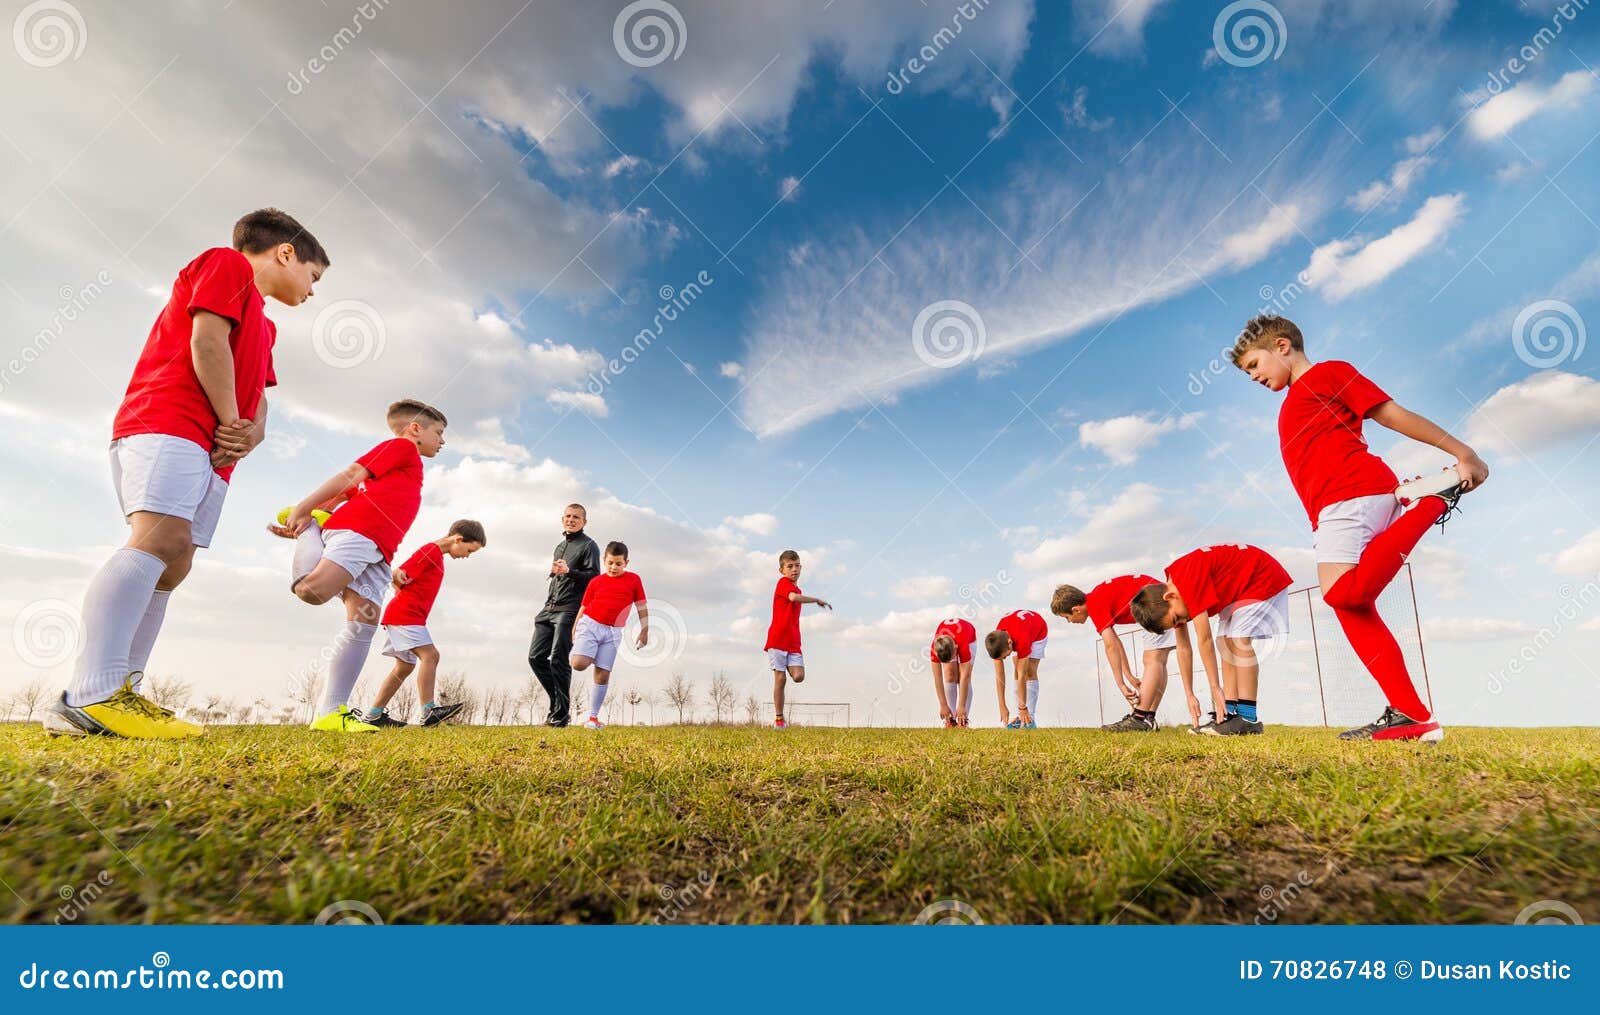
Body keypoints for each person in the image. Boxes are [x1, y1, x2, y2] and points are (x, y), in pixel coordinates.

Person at [44, 209, 329, 739]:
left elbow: (260, 398)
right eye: (314, 277)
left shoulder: (266, 326)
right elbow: (206, 342)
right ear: (286, 253)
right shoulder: (226, 264)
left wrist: (252, 433)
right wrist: (229, 422)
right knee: (158, 539)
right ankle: (90, 694)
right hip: (168, 422)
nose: (313, 292)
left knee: (176, 563)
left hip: (218, 454)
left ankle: (123, 693)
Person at [1231, 314, 1486, 742]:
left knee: (1342, 593)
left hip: (1352, 494)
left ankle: (1431, 501)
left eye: (1254, 365)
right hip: (1338, 504)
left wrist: (1463, 452)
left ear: (1281, 346)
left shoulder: (1329, 373)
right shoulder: (1295, 399)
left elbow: (1391, 415)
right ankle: (1412, 716)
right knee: (1353, 608)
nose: (1252, 376)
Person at [268, 399, 447, 733]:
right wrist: (304, 513)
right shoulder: (401, 448)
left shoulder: (402, 466)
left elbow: (347, 492)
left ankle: (331, 713)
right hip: (359, 532)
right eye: (439, 433)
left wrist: (320, 509)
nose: (442, 441)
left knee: (363, 623)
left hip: (378, 549)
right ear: (415, 429)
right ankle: (311, 531)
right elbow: (351, 474)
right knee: (312, 591)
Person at [1129, 544, 1293, 736]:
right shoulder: (1175, 591)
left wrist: (1215, 688)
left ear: (1170, 596)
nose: (1183, 622)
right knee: (1224, 642)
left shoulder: (1187, 581)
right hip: (1239, 589)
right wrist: (1190, 694)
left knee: (1238, 640)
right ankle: (1229, 715)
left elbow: (1204, 639)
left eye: (1177, 618)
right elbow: (1184, 649)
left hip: (1261, 576)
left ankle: (1248, 718)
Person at [360, 519, 487, 729]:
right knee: (431, 656)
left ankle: (374, 714)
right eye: (469, 550)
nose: (467, 556)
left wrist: (401, 585)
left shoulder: (436, 555)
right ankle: (428, 711)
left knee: (405, 666)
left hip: (405, 616)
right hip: (406, 616)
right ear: (458, 539)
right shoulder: (431, 551)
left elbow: (403, 578)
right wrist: (399, 583)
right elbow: (398, 575)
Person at [1053, 576, 1211, 733]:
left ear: (1075, 609)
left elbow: (1110, 646)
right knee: (1157, 660)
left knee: (1153, 659)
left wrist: (1121, 684)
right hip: (1159, 598)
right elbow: (1115, 643)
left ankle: (1140, 717)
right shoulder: (1097, 597)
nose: (1070, 622)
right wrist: (1128, 675)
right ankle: (1148, 717)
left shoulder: (1095, 605)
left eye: (1067, 617)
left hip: (1158, 606)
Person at [529, 504, 599, 727]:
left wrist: (570, 572)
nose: (571, 520)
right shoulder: (559, 546)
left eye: (576, 517)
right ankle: (558, 704)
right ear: (562, 520)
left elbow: (594, 578)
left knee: (559, 660)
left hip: (570, 609)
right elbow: (559, 576)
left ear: (584, 522)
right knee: (535, 657)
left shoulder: (589, 546)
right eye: (568, 516)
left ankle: (560, 715)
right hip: (549, 608)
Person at [569, 540, 649, 730]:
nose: (614, 567)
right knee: (579, 664)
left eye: (619, 563)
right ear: (604, 560)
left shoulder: (634, 580)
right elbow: (584, 606)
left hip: (613, 632)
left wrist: (645, 630)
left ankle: (593, 718)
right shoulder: (596, 581)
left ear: (626, 563)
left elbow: (642, 606)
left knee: (603, 674)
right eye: (610, 563)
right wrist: (575, 627)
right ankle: (579, 650)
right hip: (590, 624)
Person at [764, 550, 831, 729]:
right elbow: (793, 598)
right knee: (780, 679)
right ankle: (779, 719)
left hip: (793, 642)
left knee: (798, 676)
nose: (794, 569)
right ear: (782, 570)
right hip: (777, 640)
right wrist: (816, 600)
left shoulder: (797, 588)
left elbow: (796, 596)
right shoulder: (783, 583)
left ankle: (785, 665)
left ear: (801, 567)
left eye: (797, 566)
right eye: (790, 566)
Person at [985, 609, 1049, 729]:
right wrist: (1002, 705)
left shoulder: (1021, 639)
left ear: (1010, 643)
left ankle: (1029, 719)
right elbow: (1000, 675)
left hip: (1038, 630)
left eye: (1005, 656)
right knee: (1016, 667)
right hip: (1020, 629)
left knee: (1029, 671)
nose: (1004, 659)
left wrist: (1023, 707)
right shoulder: (997, 640)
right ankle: (1019, 718)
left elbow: (1022, 675)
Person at [929, 616, 977, 727]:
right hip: (951, 640)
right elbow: (938, 678)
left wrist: (961, 706)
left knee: (963, 676)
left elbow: (964, 677)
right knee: (950, 674)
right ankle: (950, 720)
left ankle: (962, 720)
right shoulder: (934, 649)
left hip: (969, 637)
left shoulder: (963, 645)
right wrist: (943, 705)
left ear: (956, 648)